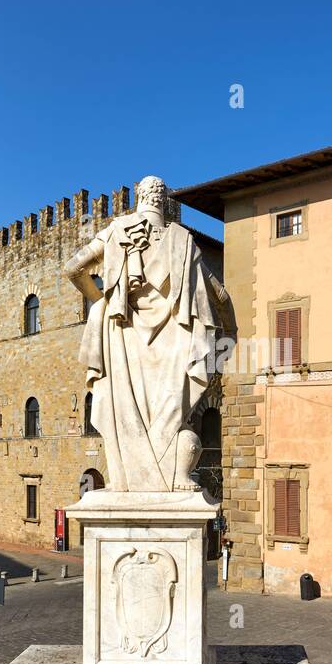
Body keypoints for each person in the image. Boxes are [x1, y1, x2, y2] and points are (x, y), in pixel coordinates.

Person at [62, 176, 233, 492]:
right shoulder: (183, 240)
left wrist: (102, 301)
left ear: (139, 198)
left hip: (123, 338)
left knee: (121, 412)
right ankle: (174, 477)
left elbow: (73, 269)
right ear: (165, 202)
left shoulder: (115, 232)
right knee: (173, 420)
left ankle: (125, 480)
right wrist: (231, 334)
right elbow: (220, 295)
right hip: (175, 342)